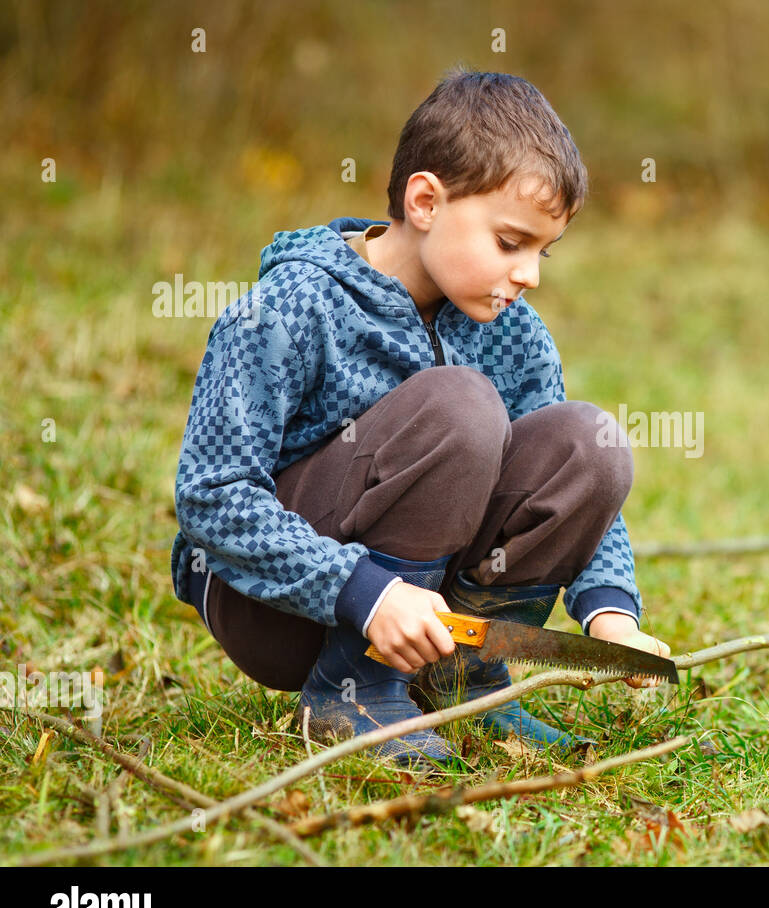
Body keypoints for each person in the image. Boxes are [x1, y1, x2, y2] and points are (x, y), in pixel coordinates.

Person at [168, 67, 670, 770]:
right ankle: (353, 689)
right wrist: (364, 593)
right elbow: (209, 496)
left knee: (591, 443)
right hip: (281, 612)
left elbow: (570, 482)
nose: (530, 274)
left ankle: (461, 681)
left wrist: (610, 613)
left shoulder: (514, 333)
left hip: (431, 620)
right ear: (426, 200)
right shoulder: (290, 308)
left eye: (542, 252)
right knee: (460, 405)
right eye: (509, 242)